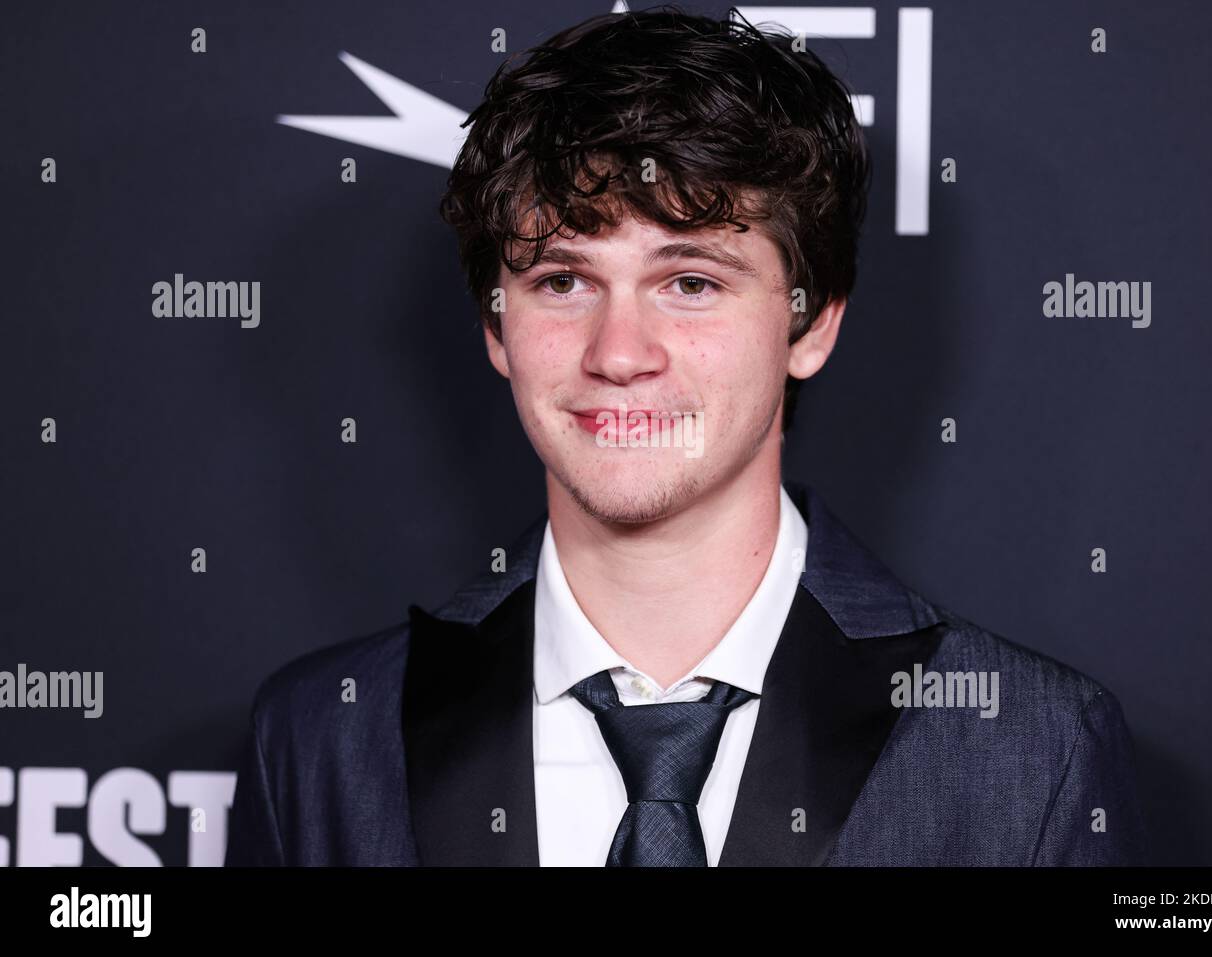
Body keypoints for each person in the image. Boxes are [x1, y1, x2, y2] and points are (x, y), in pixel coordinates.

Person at [225, 7, 1147, 867]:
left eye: (691, 281)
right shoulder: (322, 738)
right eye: (562, 281)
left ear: (811, 323)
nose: (619, 353)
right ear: (496, 327)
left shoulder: (1031, 749)